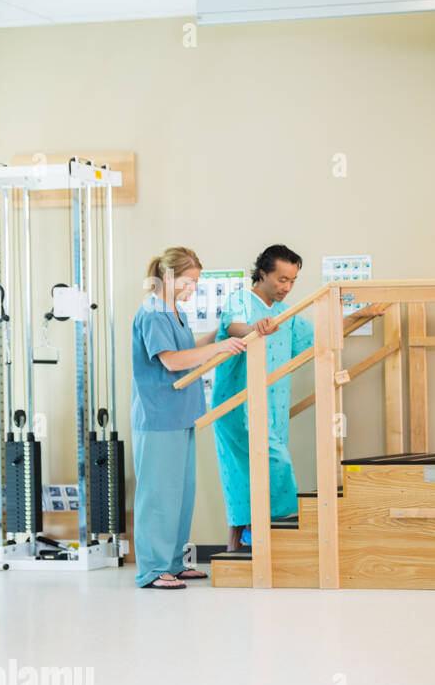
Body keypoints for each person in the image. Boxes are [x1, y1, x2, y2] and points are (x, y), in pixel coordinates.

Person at [131, 247, 246, 588]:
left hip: (180, 415)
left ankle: (174, 564)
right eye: (189, 281)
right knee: (158, 496)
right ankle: (152, 570)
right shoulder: (153, 312)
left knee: (180, 494)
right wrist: (219, 349)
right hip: (157, 419)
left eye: (196, 282)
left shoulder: (174, 311)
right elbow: (172, 361)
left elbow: (187, 346)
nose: (193, 288)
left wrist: (218, 336)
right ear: (168, 277)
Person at [210, 245, 314, 551]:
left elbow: (316, 337)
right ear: (263, 274)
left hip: (273, 408)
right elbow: (234, 327)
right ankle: (276, 531)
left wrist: (360, 315)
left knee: (244, 475)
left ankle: (235, 546)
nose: (287, 287)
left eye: (292, 281)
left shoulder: (286, 314)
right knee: (264, 464)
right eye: (282, 279)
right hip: (237, 405)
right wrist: (255, 329)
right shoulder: (240, 299)